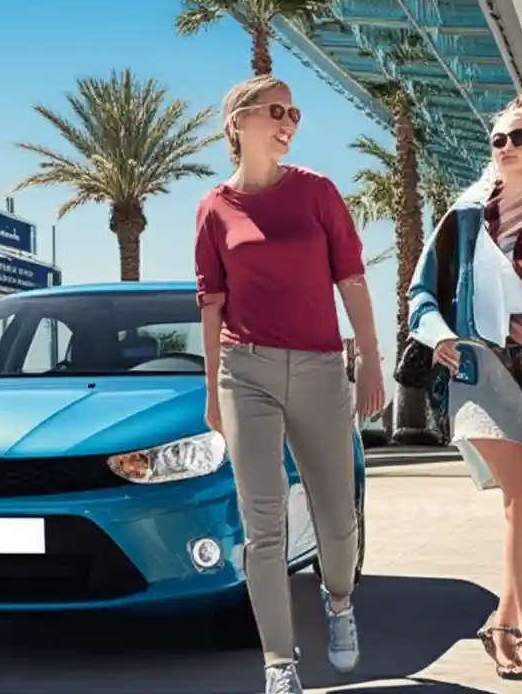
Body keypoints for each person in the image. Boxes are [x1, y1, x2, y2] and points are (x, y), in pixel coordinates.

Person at [194, 74, 387, 694]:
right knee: (263, 524)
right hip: (244, 370)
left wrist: (371, 361)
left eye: (294, 114)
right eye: (276, 111)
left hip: (320, 369)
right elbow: (211, 305)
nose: (289, 123)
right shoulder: (214, 208)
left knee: (337, 517)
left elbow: (351, 279)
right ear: (238, 123)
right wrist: (212, 391)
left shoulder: (317, 193)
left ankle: (339, 600)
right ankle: (279, 662)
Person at [406, 93, 522, 694]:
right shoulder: (463, 215)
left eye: (519, 137)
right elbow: (420, 294)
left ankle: (501, 624)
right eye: (498, 139)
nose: (505, 147)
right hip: (476, 368)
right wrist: (440, 335)